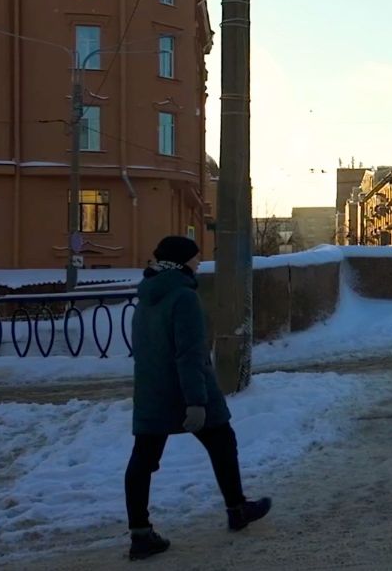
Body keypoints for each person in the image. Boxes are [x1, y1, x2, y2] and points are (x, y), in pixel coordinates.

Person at [124, 235, 271, 561]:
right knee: (222, 441)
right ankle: (237, 509)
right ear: (181, 262)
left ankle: (140, 534)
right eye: (195, 257)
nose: (199, 261)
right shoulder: (184, 297)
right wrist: (196, 401)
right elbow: (190, 354)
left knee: (142, 460)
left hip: (151, 389)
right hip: (187, 389)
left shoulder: (146, 295)